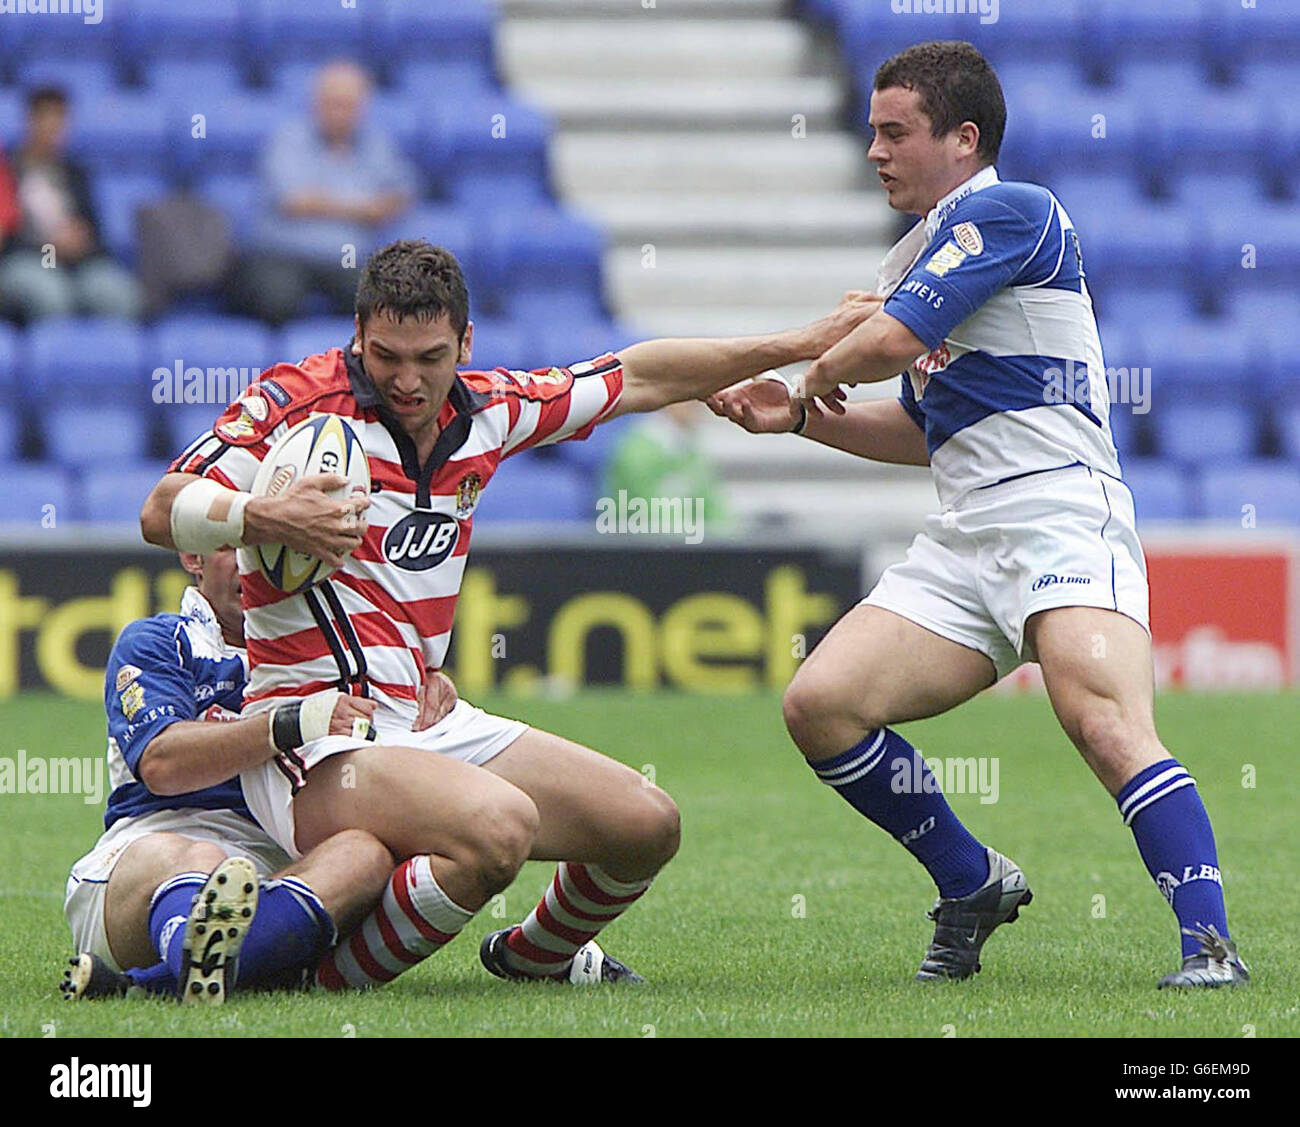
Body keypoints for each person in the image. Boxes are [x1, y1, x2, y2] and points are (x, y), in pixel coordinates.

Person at [140, 239, 874, 986]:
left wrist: (805, 341)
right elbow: (161, 510)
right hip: (314, 737)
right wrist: (267, 515)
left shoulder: (490, 410)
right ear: (358, 334)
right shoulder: (300, 400)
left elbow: (640, 375)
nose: (406, 378)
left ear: (465, 342)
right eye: (386, 354)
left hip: (423, 722)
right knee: (500, 826)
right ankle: (311, 978)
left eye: (429, 357)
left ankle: (536, 954)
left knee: (646, 824)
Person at [707, 40, 1246, 989]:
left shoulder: (1010, 210)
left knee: (1102, 719)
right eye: (871, 130)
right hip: (967, 532)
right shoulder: (918, 256)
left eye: (894, 130)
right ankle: (972, 880)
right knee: (821, 705)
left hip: (1061, 508)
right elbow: (922, 430)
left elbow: (892, 340)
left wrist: (820, 363)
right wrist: (796, 417)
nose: (873, 149)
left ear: (964, 137)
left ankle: (1210, 947)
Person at [62, 547, 399, 1003]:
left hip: (273, 864)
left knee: (366, 855)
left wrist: (432, 682)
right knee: (199, 855)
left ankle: (151, 985)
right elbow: (163, 764)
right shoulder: (157, 640)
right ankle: (238, 954)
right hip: (146, 857)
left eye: (269, 546)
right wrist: (289, 723)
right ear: (193, 557)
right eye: (233, 546)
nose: (252, 564)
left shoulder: (328, 655)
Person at [228, 61, 417, 325]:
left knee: (382, 305)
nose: (340, 113)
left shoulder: (377, 145)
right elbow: (294, 202)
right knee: (276, 298)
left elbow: (399, 197)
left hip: (347, 258)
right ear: (316, 102)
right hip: (283, 254)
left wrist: (325, 202)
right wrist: (363, 207)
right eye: (333, 103)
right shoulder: (288, 139)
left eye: (348, 104)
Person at [0, 87, 142, 322]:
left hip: (78, 262)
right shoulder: (9, 169)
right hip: (27, 258)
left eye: (60, 119)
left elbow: (94, 229)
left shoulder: (76, 172)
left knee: (119, 295)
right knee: (51, 296)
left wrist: (79, 240)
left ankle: (104, 356)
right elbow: (7, 235)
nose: (54, 128)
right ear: (30, 120)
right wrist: (49, 245)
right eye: (47, 117)